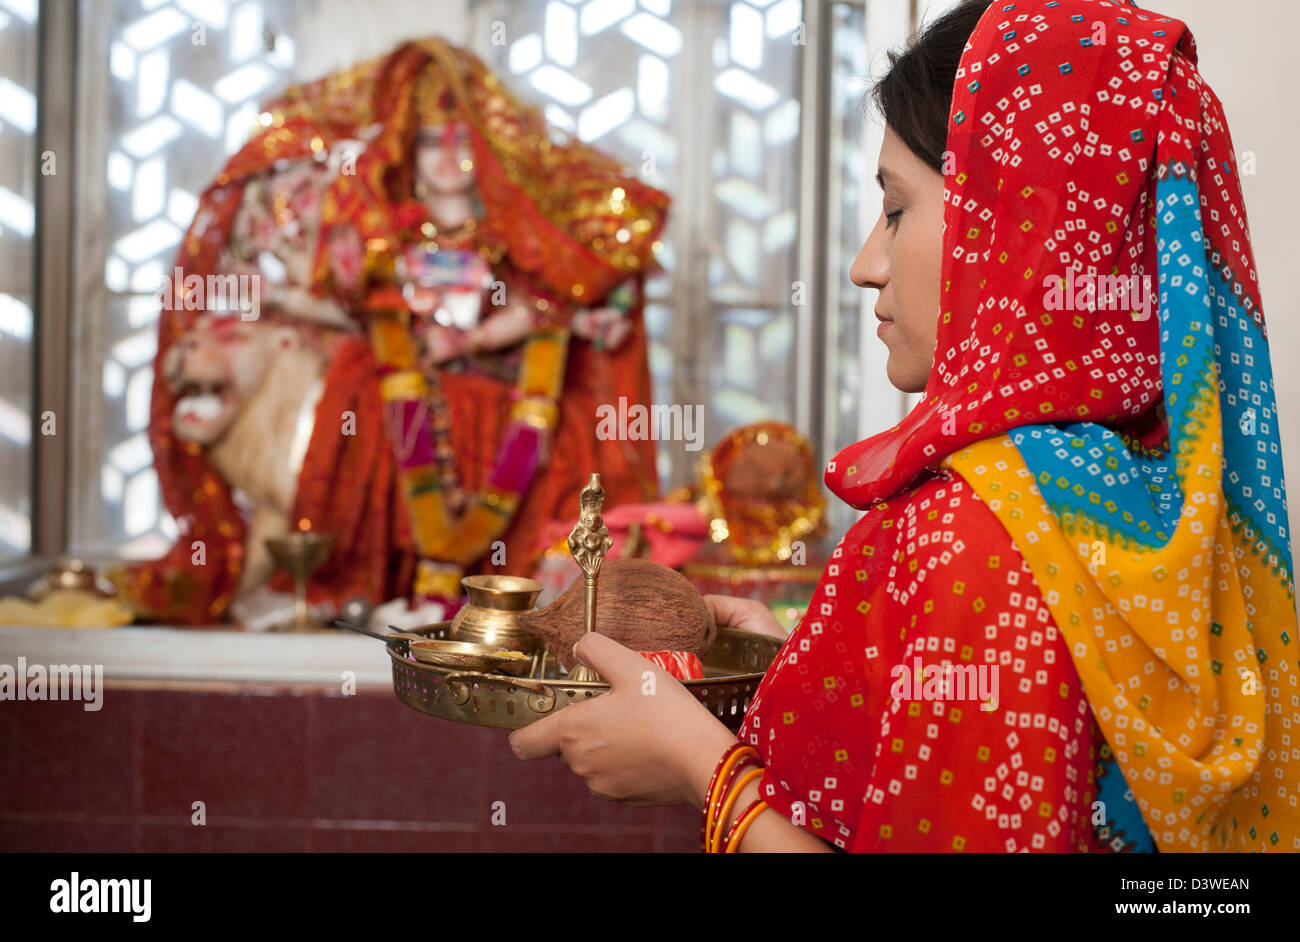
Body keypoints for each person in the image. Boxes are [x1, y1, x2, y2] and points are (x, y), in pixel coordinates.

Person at [509, 0, 1299, 853]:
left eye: (894, 211)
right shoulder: (1142, 492)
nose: (863, 265)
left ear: (1016, 226)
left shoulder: (981, 530)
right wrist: (819, 671)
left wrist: (702, 772)